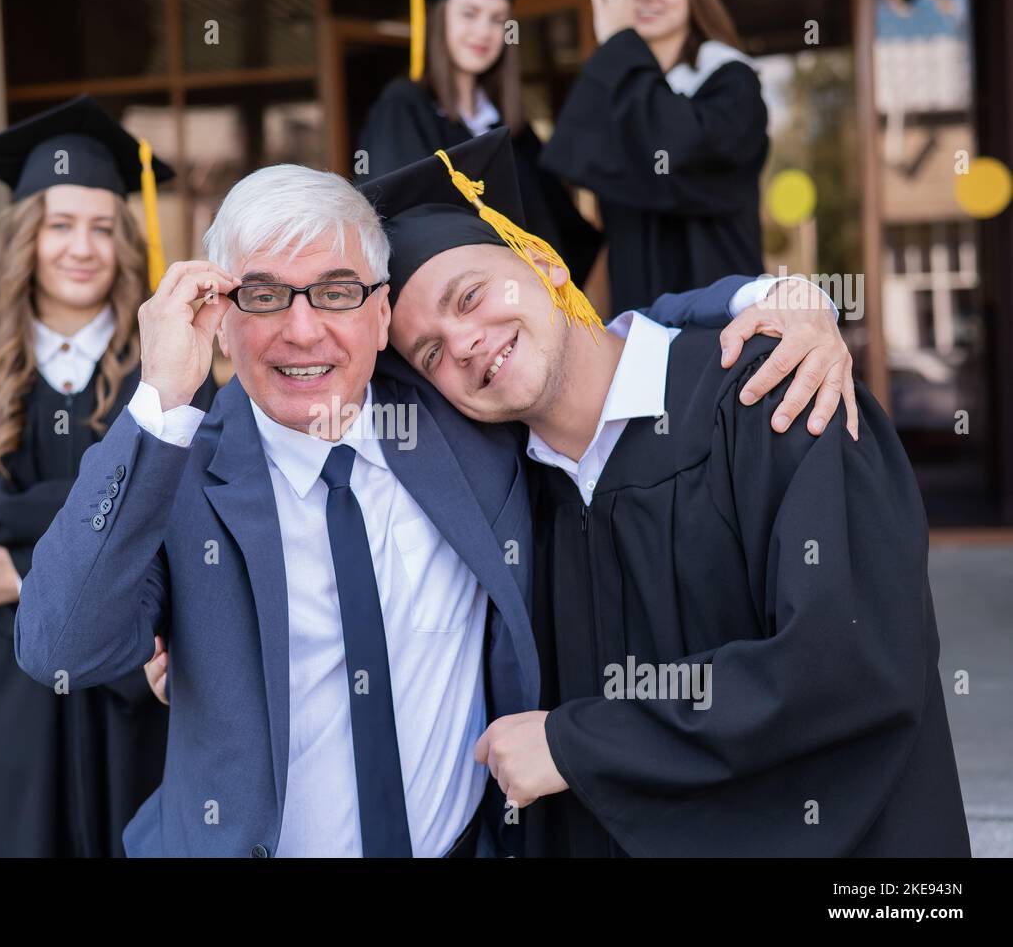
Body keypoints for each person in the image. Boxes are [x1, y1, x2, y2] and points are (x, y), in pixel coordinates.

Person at [22, 151, 858, 858]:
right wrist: (161, 395)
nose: (304, 332)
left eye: (339, 290)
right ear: (220, 318)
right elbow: (59, 645)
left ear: (382, 313)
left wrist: (771, 299)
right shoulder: (176, 470)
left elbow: (573, 338)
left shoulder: (458, 419)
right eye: (265, 295)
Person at [364, 127, 971, 856]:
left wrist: (579, 744)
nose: (461, 342)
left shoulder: (771, 395)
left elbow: (848, 662)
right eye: (428, 352)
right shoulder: (521, 503)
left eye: (467, 297)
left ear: (544, 262)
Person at [0, 95, 215, 857]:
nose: (83, 247)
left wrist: (33, 569)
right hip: (19, 691)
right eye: (60, 225)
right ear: (24, 238)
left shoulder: (170, 378)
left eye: (104, 228)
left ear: (126, 242)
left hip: (148, 679)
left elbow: (193, 512)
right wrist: (117, 507)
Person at [540, 0, 768, 313]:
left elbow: (674, 150)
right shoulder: (613, 94)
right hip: (638, 321)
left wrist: (620, 44)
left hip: (723, 323)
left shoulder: (732, 82)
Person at [357, 0, 603, 284]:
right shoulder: (404, 108)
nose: (485, 31)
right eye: (469, 13)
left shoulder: (510, 126)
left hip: (541, 298)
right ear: (438, 18)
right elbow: (403, 223)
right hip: (469, 310)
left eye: (498, 19)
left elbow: (566, 226)